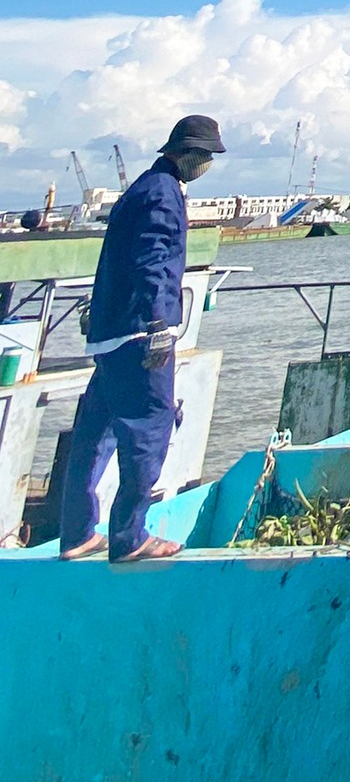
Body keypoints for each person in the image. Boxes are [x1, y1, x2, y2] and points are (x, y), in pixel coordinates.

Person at [58, 114, 225, 563]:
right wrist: (157, 326)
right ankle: (130, 538)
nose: (207, 163)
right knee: (150, 429)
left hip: (110, 335)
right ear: (188, 154)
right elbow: (152, 262)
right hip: (137, 333)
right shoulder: (163, 195)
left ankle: (76, 534)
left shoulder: (142, 188)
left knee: (96, 434)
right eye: (205, 155)